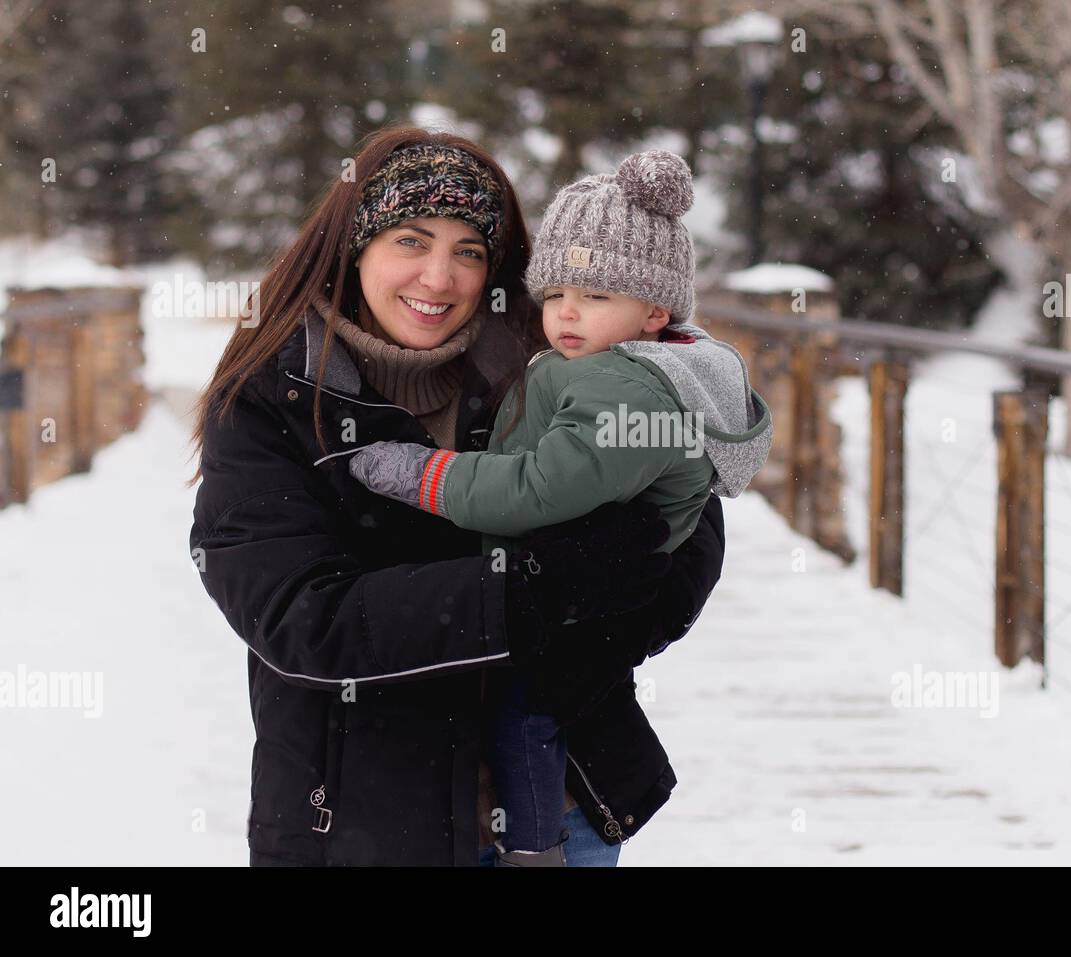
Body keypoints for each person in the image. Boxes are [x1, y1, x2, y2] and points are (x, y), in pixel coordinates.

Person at [186, 127, 726, 866]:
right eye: (412, 240)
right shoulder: (270, 399)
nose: (439, 277)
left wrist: (615, 617)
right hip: (364, 825)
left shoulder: (549, 361)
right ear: (356, 244)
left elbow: (685, 514)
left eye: (469, 251)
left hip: (564, 810)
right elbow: (297, 615)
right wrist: (521, 597)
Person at [348, 150, 772, 865]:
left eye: (598, 296)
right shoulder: (614, 365)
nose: (568, 313)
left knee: (527, 714)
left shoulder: (623, 387)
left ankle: (535, 846)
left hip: (571, 612)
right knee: (534, 710)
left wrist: (421, 474)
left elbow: (538, 489)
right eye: (557, 293)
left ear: (654, 311)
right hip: (570, 601)